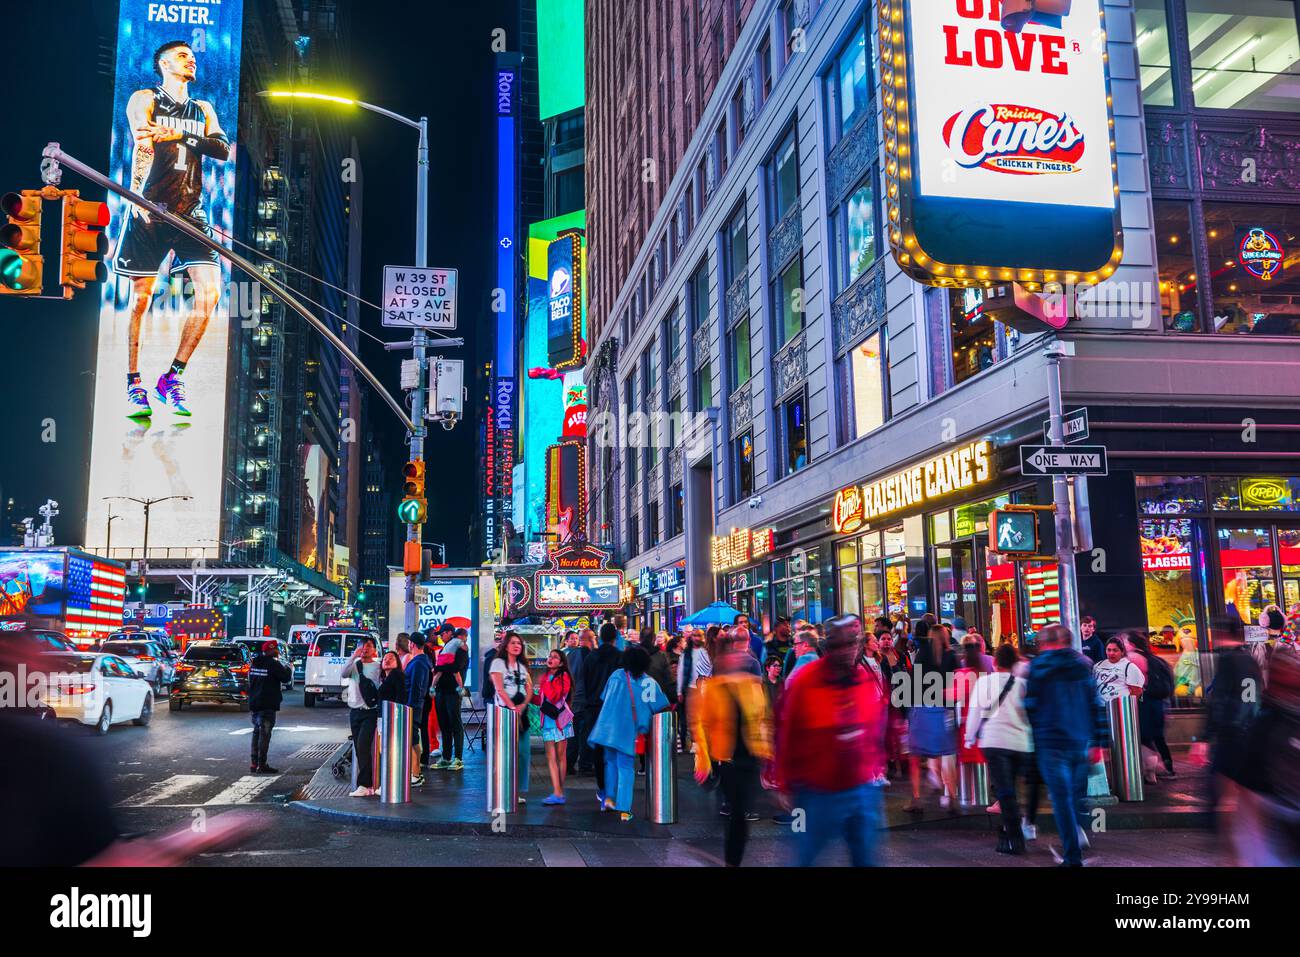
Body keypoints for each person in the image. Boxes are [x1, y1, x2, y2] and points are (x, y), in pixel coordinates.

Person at [116, 40, 231, 419]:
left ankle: (172, 377)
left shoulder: (203, 109)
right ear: (163, 63)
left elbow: (221, 149)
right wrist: (136, 198)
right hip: (150, 206)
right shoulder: (145, 97)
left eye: (192, 57)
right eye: (183, 56)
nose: (191, 60)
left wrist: (181, 135)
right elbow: (143, 144)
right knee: (141, 299)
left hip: (189, 213)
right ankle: (135, 383)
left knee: (210, 293)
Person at [776, 615, 888, 867]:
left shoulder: (862, 679)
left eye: (851, 644)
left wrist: (877, 765)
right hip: (814, 790)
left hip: (860, 788)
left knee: (866, 858)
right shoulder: (806, 681)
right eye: (840, 645)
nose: (847, 651)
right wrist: (785, 783)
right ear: (829, 646)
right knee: (802, 854)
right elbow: (787, 732)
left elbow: (874, 728)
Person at [1024, 623, 1109, 867]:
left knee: (1061, 799)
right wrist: (1098, 742)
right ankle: (1078, 835)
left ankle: (1073, 855)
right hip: (1080, 740)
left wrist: (1036, 735)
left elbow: (1030, 706)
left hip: (1050, 742)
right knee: (1075, 794)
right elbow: (1096, 704)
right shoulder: (1083, 664)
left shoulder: (1037, 667)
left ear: (1044, 643)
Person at [1189, 615, 1263, 865]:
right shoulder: (1248, 660)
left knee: (1218, 794)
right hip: (1247, 734)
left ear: (1220, 633)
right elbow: (1252, 698)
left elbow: (1220, 702)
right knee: (1241, 795)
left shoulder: (1229, 660)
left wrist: (1205, 737)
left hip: (1232, 735)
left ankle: (1231, 852)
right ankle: (1241, 850)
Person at [693, 629, 772, 861]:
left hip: (750, 757)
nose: (734, 660)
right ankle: (732, 858)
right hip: (726, 758)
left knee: (740, 811)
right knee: (737, 812)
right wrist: (704, 760)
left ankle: (733, 854)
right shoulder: (714, 690)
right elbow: (700, 724)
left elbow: (764, 717)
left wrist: (767, 750)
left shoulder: (751, 685)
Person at [964, 643, 1033, 854]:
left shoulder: (984, 683)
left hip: (994, 742)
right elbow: (1029, 715)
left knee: (1005, 791)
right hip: (1020, 743)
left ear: (994, 662)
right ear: (1014, 664)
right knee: (1013, 788)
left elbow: (975, 714)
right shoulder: (1022, 684)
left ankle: (1015, 838)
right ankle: (1016, 830)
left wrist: (969, 738)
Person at [589, 645, 670, 821]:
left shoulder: (616, 675)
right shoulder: (649, 682)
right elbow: (662, 707)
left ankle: (609, 800)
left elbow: (604, 698)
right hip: (628, 732)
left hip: (608, 730)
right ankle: (624, 809)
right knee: (626, 768)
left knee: (609, 763)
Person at [905, 624, 959, 814]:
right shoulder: (951, 656)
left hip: (923, 708)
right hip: (944, 710)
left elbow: (913, 681)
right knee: (947, 754)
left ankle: (916, 798)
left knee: (915, 755)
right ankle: (952, 797)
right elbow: (958, 683)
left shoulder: (922, 654)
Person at [582, 623, 625, 801]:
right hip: (615, 709)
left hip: (595, 708)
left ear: (599, 637)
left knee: (599, 750)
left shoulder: (591, 658)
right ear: (615, 638)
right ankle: (615, 788)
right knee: (616, 749)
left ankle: (602, 788)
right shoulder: (621, 658)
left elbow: (585, 682)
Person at [1125, 631, 1176, 782]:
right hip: (1158, 704)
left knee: (1144, 739)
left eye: (1126, 642)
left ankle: (1150, 772)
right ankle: (1167, 768)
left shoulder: (1133, 658)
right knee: (1158, 738)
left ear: (1132, 644)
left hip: (1143, 702)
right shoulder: (1157, 660)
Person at [490, 632, 533, 805]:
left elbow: (529, 688)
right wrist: (512, 707)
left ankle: (516, 790)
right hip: (505, 713)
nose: (517, 646)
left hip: (522, 713)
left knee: (523, 753)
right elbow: (499, 689)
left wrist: (522, 706)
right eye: (513, 642)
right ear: (506, 645)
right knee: (504, 753)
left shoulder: (522, 666)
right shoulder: (498, 663)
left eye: (519, 643)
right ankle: (500, 789)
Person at [342, 637, 382, 797]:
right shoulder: (355, 665)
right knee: (359, 749)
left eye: (369, 646)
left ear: (374, 649)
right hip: (354, 711)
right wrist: (353, 656)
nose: (365, 649)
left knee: (363, 745)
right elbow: (344, 674)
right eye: (362, 646)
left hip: (370, 711)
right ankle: (367, 785)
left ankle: (366, 784)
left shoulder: (378, 666)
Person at [247, 639, 292, 774]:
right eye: (276, 649)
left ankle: (254, 763)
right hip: (267, 704)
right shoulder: (274, 664)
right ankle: (262, 764)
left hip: (255, 703)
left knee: (256, 733)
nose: (277, 651)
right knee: (265, 734)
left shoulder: (255, 663)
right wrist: (288, 667)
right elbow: (286, 678)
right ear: (273, 651)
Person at [537, 649, 575, 805]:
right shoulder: (546, 676)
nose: (550, 659)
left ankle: (559, 791)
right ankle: (557, 791)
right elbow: (543, 699)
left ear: (561, 662)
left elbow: (555, 696)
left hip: (560, 721)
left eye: (555, 657)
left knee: (560, 756)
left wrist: (545, 682)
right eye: (550, 656)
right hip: (548, 720)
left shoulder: (563, 676)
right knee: (551, 757)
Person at [431, 627, 469, 770]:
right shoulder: (444, 649)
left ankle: (458, 758)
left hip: (453, 691)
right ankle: (446, 757)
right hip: (441, 690)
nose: (441, 636)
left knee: (455, 724)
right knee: (444, 725)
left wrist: (440, 668)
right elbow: (440, 668)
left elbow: (456, 667)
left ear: (450, 633)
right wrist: (439, 668)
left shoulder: (461, 648)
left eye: (442, 633)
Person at [677, 627, 713, 754]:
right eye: (694, 635)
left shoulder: (707, 651)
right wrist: (679, 691)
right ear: (691, 637)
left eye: (699, 635)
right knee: (692, 718)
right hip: (691, 687)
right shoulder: (686, 654)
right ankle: (695, 742)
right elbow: (680, 672)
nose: (697, 638)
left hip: (705, 688)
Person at [404, 632, 432, 787]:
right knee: (413, 739)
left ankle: (416, 773)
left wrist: (410, 707)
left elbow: (417, 687)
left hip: (413, 707)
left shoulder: (419, 663)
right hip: (415, 706)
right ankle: (415, 773)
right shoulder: (421, 661)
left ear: (412, 644)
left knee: (413, 740)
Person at [563, 629, 592, 774]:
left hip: (573, 700)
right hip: (585, 700)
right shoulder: (587, 654)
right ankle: (584, 765)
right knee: (585, 734)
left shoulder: (570, 655)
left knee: (573, 735)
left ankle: (569, 764)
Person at [1093, 635, 1145, 704]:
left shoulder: (1129, 667)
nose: (1111, 653)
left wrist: (1126, 705)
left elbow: (1137, 691)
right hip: (1099, 708)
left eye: (1115, 650)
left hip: (1119, 709)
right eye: (1109, 650)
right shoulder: (1097, 665)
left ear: (1122, 652)